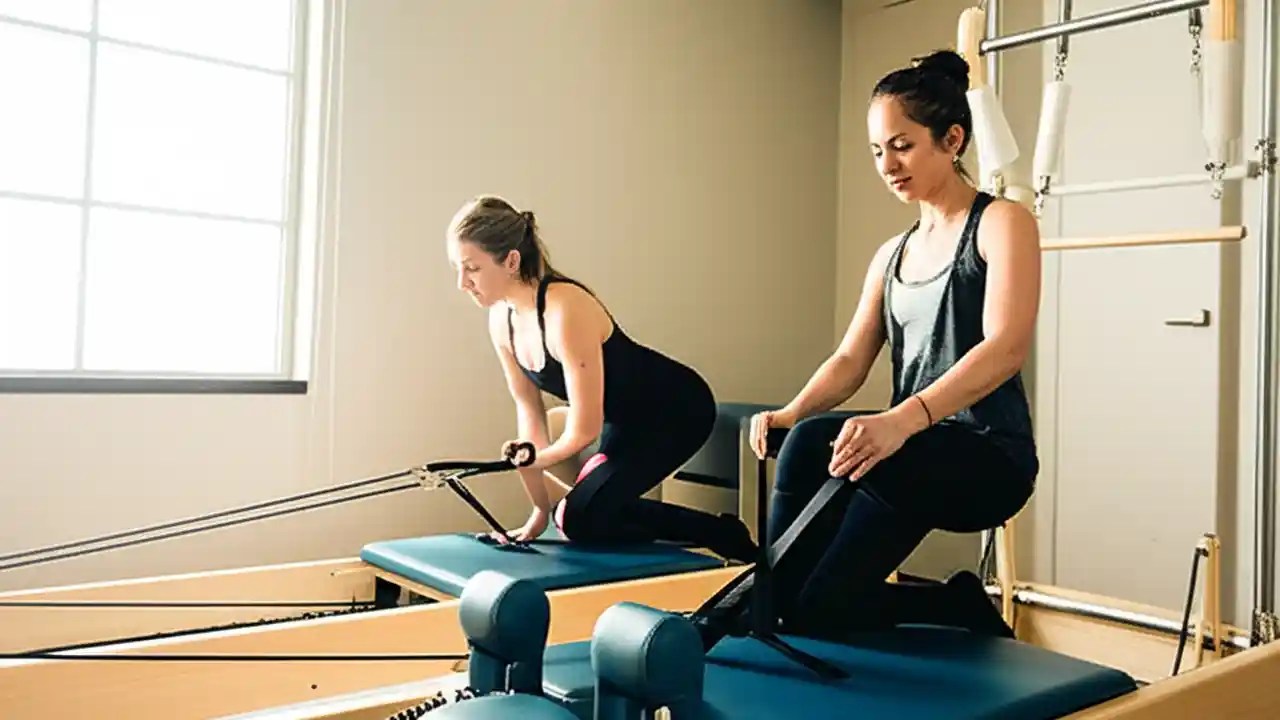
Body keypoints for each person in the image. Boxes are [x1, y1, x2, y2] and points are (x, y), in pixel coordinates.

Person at [744, 49, 1041, 641]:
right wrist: (792, 411)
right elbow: (852, 359)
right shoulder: (893, 253)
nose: (887, 164)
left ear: (952, 139)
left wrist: (903, 420)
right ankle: (768, 604)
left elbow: (1006, 346)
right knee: (806, 444)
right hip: (909, 445)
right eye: (878, 151)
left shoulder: (1004, 223)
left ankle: (957, 608)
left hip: (987, 455)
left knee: (823, 610)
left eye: (902, 145)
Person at [445, 195, 757, 562]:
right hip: (625, 421)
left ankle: (721, 533)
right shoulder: (502, 321)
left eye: (472, 268)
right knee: (580, 517)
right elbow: (529, 411)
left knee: (579, 517)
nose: (462, 283)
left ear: (511, 261)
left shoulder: (565, 308)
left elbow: (583, 431)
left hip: (677, 411)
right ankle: (714, 532)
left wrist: (536, 460)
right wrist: (538, 512)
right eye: (457, 269)